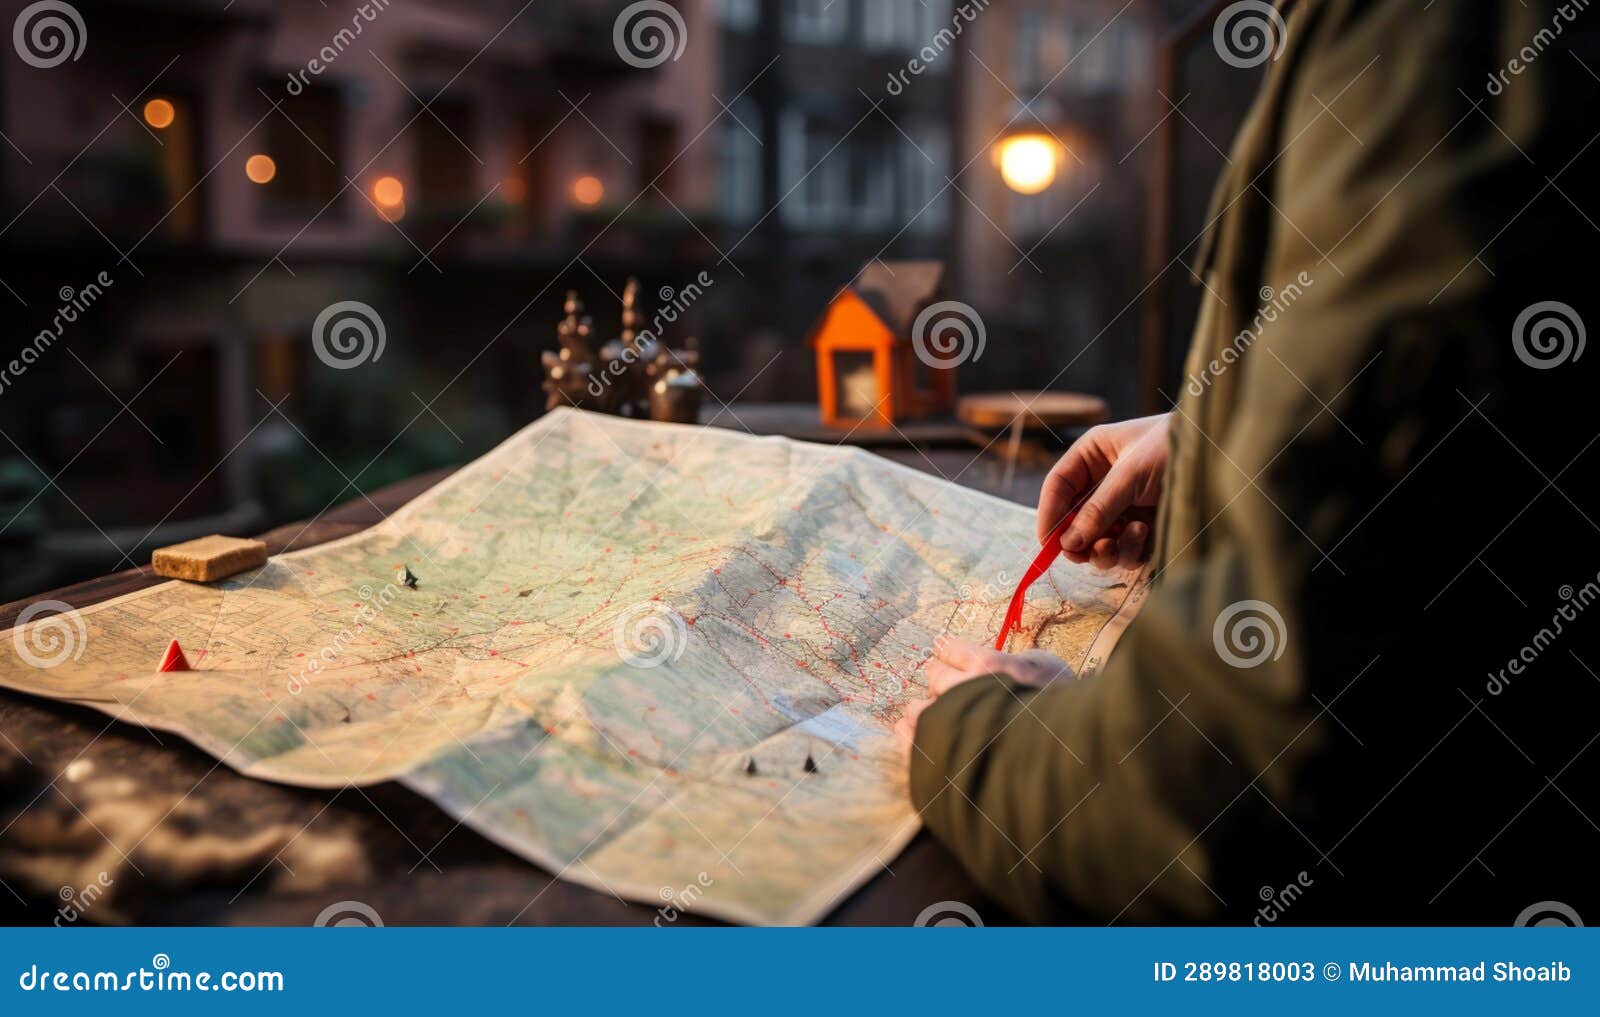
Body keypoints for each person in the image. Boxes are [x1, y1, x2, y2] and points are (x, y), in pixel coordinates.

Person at [897, 0, 1600, 924]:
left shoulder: (1425, 39)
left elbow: (1247, 778)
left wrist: (983, 741)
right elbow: (1437, 431)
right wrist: (1208, 442)